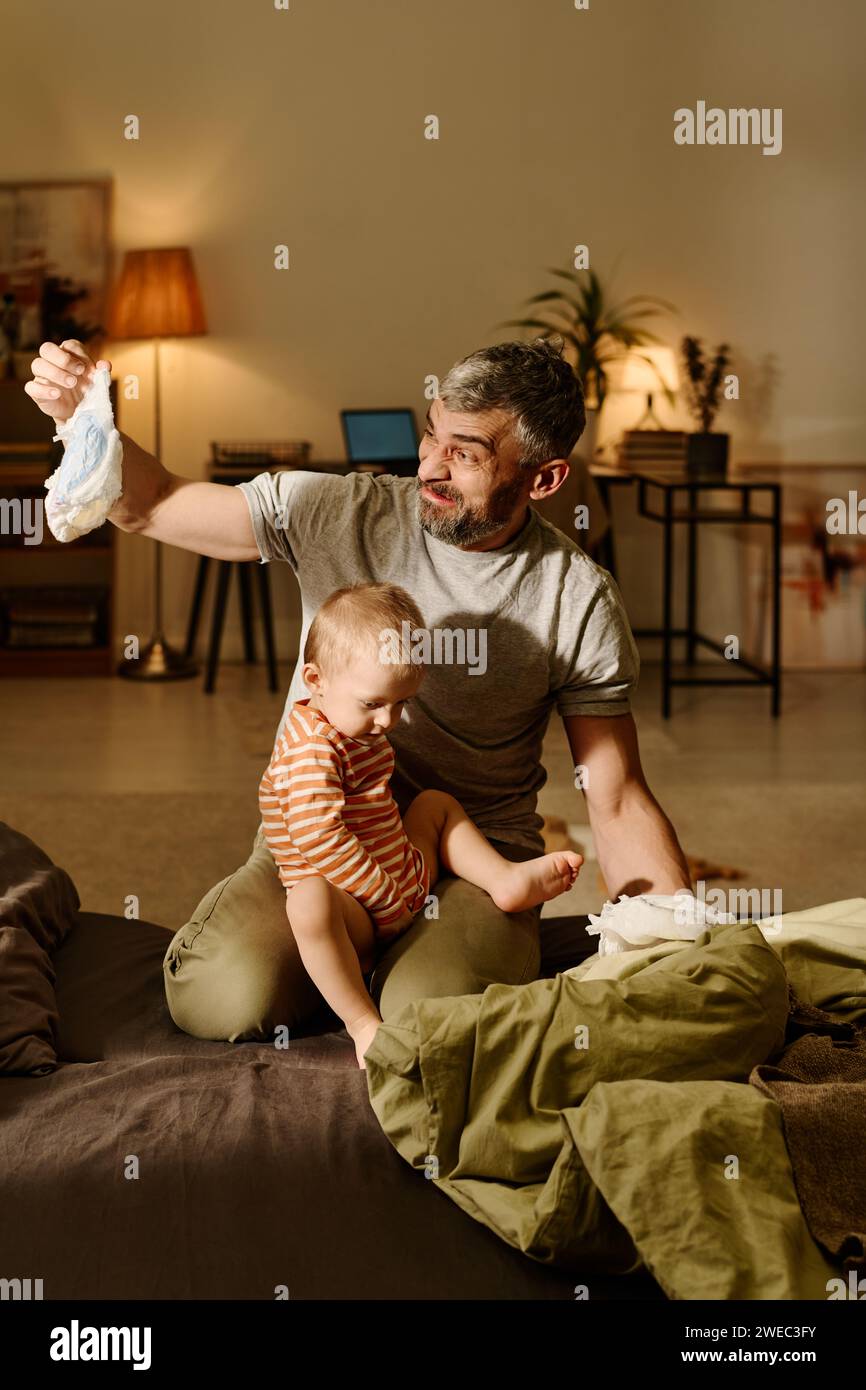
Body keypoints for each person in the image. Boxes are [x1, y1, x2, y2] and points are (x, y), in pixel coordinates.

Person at [24, 334, 692, 1046]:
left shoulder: (577, 597)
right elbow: (151, 506)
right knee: (220, 998)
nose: (430, 466)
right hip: (325, 839)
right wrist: (83, 420)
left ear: (545, 479)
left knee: (429, 1025)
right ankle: (352, 958)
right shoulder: (337, 509)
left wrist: (672, 942)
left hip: (469, 849)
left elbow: (615, 797)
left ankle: (399, 969)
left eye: (464, 454)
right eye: (431, 436)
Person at [263, 581, 583, 1067]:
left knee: (434, 805)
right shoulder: (311, 751)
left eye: (403, 703)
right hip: (360, 908)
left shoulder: (350, 722)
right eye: (373, 704)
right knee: (307, 904)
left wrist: (402, 872)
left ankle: (506, 879)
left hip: (404, 871)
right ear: (315, 679)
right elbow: (321, 840)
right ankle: (360, 1021)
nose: (390, 721)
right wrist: (385, 898)